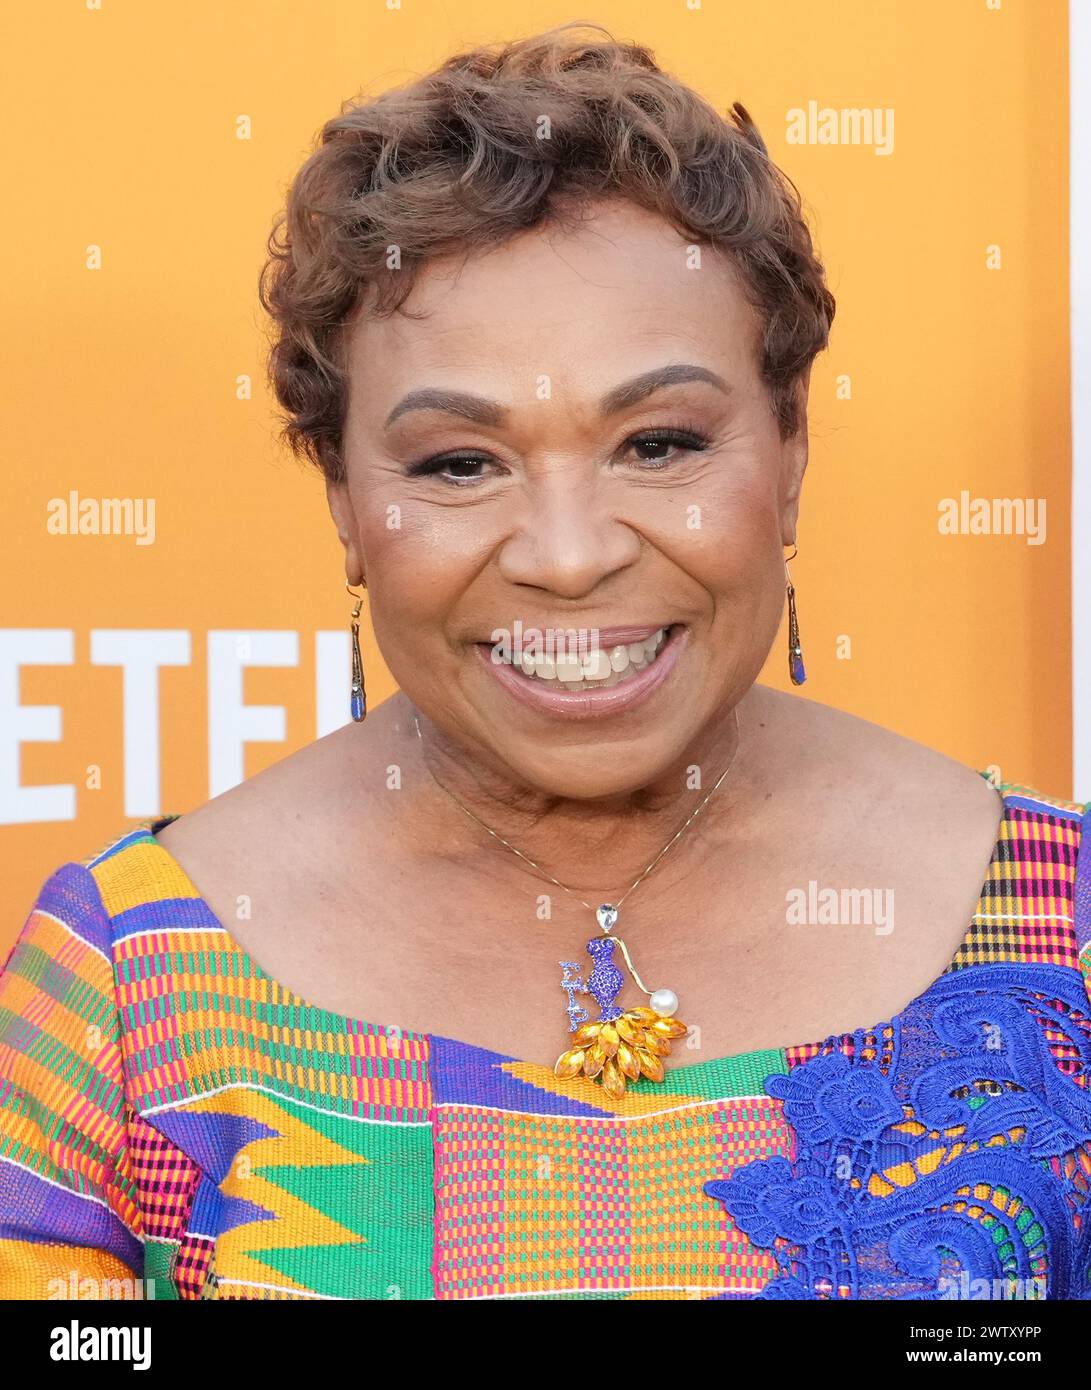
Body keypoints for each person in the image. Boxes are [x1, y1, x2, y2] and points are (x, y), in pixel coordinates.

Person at [2, 25, 1088, 1302]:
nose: (568, 558)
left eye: (660, 443)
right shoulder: (126, 982)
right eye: (460, 463)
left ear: (789, 454)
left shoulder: (1057, 926)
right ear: (345, 502)